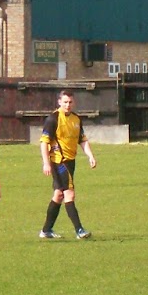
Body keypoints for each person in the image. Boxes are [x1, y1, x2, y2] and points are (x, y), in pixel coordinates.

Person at [39, 89, 97, 240]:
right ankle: (79, 230)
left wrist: (90, 156)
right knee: (69, 193)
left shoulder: (76, 119)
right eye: (65, 102)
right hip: (59, 161)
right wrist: (46, 163)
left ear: (74, 102)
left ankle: (46, 230)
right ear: (59, 102)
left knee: (58, 195)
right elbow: (44, 143)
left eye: (70, 102)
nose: (68, 105)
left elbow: (82, 140)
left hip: (71, 161)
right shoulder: (53, 119)